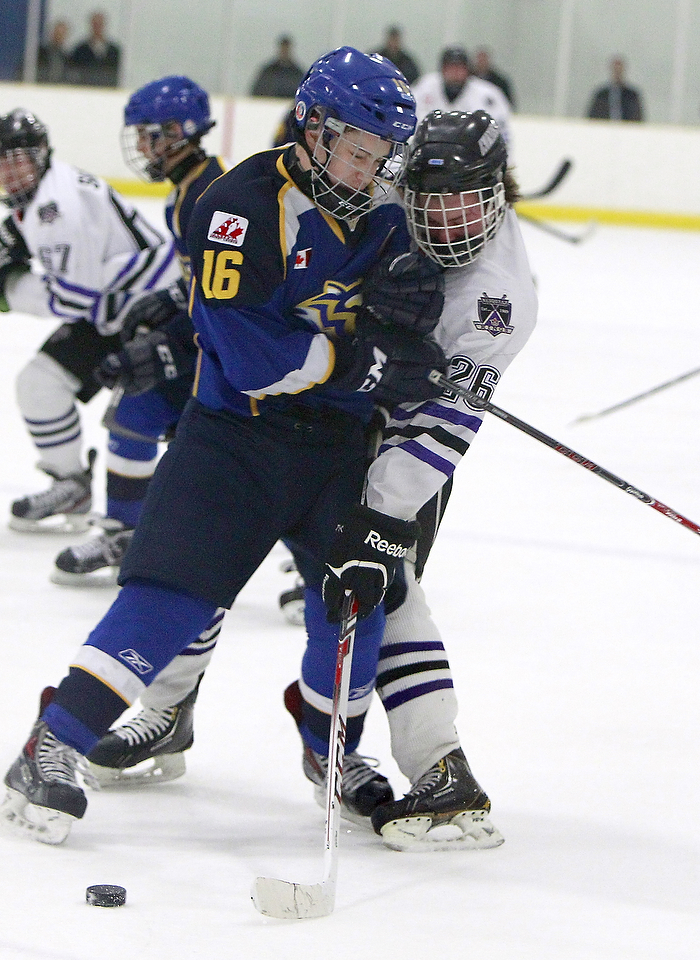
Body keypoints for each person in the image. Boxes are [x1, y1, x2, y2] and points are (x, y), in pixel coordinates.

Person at [0, 47, 453, 845]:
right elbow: (254, 360)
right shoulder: (237, 203)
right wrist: (364, 361)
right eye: (356, 148)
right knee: (172, 598)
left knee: (353, 605)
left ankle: (331, 755)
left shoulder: (382, 210)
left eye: (382, 154)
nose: (370, 167)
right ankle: (53, 743)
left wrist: (413, 338)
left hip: (339, 446)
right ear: (311, 127)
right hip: (235, 441)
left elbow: (404, 319)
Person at [83, 109, 538, 851]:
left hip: (394, 437)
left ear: (497, 193)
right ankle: (168, 710)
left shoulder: (500, 297)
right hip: (309, 401)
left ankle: (438, 768)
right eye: (431, 197)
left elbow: (443, 423)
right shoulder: (387, 176)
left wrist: (385, 517)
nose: (445, 218)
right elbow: (282, 258)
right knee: (208, 550)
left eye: (465, 200)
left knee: (385, 588)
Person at [50, 75, 224, 586]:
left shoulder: (204, 197)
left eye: (149, 135)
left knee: (230, 454)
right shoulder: (192, 189)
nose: (142, 147)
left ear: (177, 132)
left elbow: (233, 301)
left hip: (232, 353)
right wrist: (172, 299)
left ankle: (317, 557)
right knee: (135, 410)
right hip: (215, 340)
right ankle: (125, 532)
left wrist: (168, 346)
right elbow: (208, 285)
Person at [0, 109, 180, 534]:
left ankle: (164, 523)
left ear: (40, 155)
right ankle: (72, 484)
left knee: (146, 420)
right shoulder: (48, 192)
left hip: (161, 313)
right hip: (117, 311)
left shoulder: (55, 207)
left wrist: (9, 288)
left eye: (16, 160)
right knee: (40, 384)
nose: (8, 173)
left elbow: (72, 298)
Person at [413, 46, 513, 157]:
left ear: (468, 70)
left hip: (471, 161)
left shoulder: (488, 95)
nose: (455, 72)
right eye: (450, 67)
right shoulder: (424, 87)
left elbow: (501, 133)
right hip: (426, 158)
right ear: (442, 69)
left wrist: (505, 163)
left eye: (460, 68)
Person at [68, 10, 120, 87]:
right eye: (95, 24)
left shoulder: (114, 51)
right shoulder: (80, 49)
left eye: (100, 24)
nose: (97, 27)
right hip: (85, 88)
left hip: (107, 90)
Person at [587, 55, 644, 121]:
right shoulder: (601, 94)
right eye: (615, 70)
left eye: (619, 71)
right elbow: (593, 116)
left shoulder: (632, 95)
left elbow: (637, 117)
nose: (617, 74)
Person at [37, 20, 71, 85]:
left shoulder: (67, 57)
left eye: (62, 34)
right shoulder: (40, 53)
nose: (59, 37)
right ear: (52, 33)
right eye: (57, 33)